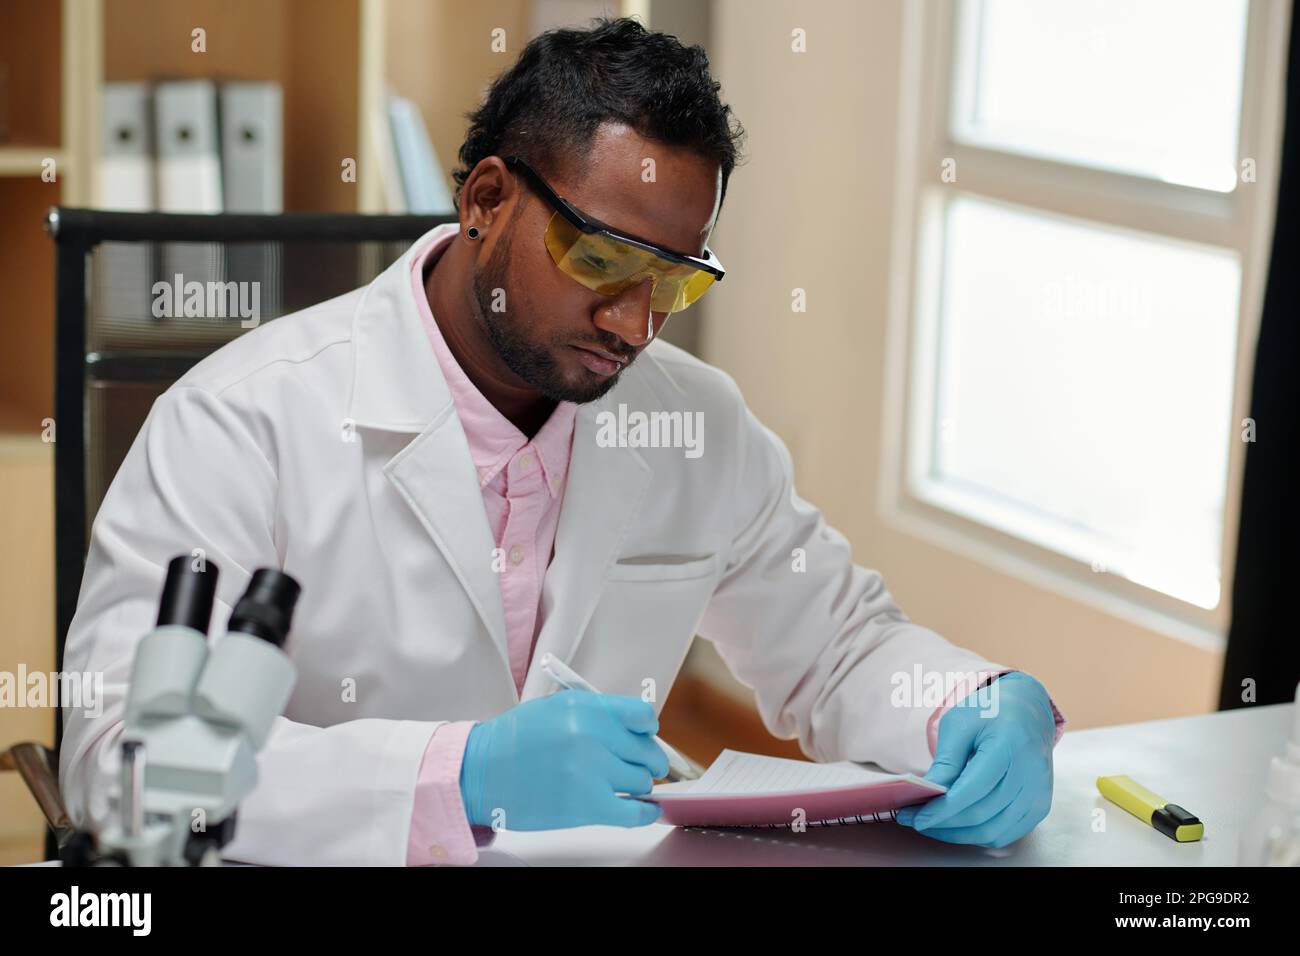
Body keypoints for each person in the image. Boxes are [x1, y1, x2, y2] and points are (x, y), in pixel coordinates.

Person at [61, 17, 1064, 866]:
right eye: (601, 258)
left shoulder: (693, 420)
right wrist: (460, 773)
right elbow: (122, 757)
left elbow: (839, 647)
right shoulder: (239, 421)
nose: (634, 324)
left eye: (672, 277)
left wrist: (972, 699)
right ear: (487, 200)